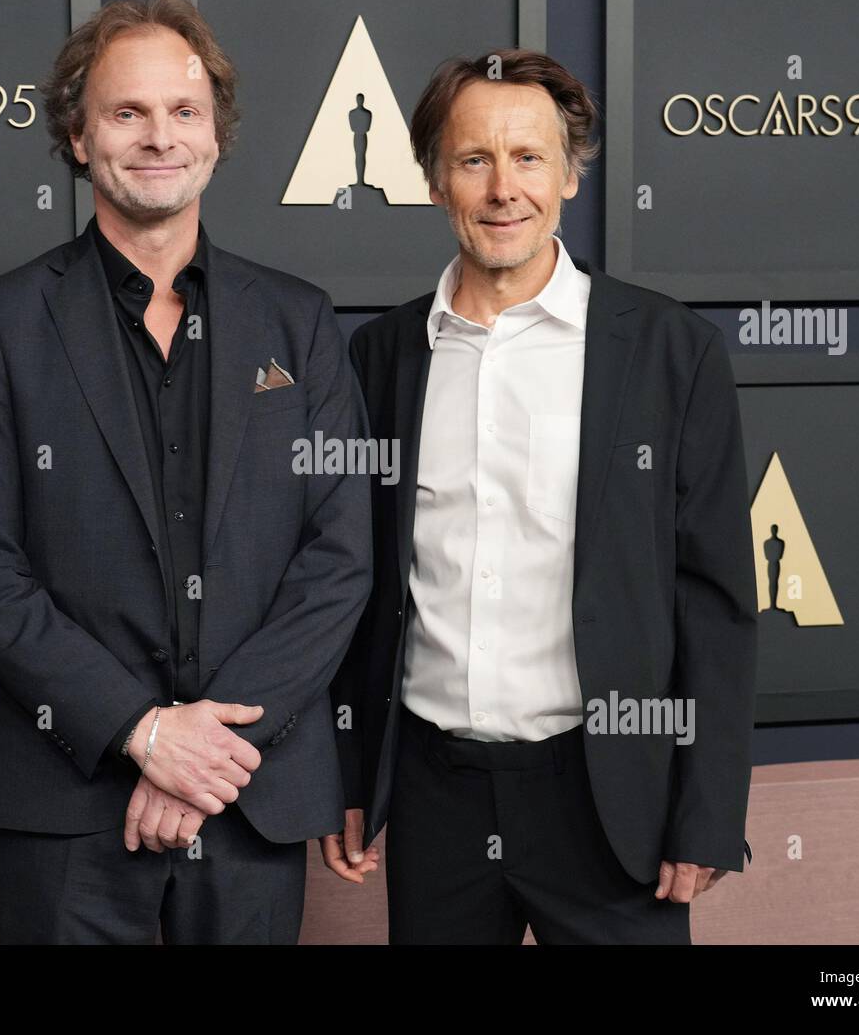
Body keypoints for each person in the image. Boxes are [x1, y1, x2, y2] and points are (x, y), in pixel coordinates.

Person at [0, 0, 371, 944]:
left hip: (248, 801)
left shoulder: (299, 320)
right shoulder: (2, 322)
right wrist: (143, 733)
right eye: (126, 112)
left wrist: (209, 753)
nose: (158, 136)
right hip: (68, 796)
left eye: (183, 111)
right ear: (79, 137)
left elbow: (336, 563)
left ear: (217, 135)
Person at [321, 49, 756, 944]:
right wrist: (351, 775)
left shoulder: (670, 352)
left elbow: (714, 602)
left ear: (570, 173)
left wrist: (707, 811)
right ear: (437, 180)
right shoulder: (381, 358)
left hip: (607, 799)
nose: (501, 189)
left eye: (528, 158)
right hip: (436, 795)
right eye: (474, 159)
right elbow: (355, 588)